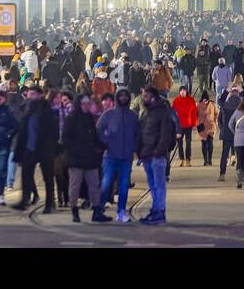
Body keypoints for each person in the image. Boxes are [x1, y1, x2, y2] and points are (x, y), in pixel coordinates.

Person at [94, 87, 140, 223]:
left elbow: (138, 134)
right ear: (117, 98)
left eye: (126, 96)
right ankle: (98, 209)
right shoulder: (108, 114)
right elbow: (98, 130)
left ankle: (121, 211)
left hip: (126, 157)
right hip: (110, 156)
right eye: (121, 96)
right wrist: (104, 143)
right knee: (106, 183)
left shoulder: (132, 116)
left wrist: (135, 148)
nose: (124, 98)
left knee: (124, 185)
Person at [11, 83, 58, 213]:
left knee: (48, 177)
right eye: (29, 94)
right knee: (26, 175)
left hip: (44, 149)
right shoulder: (27, 109)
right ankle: (24, 200)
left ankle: (50, 203)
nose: (29, 97)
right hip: (29, 148)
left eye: (33, 94)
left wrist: (52, 148)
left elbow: (53, 131)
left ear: (40, 95)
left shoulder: (47, 109)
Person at [137, 85, 177, 224]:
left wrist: (159, 151)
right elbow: (141, 132)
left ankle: (159, 212)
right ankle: (155, 210)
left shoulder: (162, 112)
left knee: (159, 184)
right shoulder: (146, 113)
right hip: (147, 154)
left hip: (156, 156)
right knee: (153, 185)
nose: (143, 99)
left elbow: (167, 135)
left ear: (153, 97)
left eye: (146, 96)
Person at [62, 94, 102, 222]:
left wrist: (100, 147)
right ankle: (74, 209)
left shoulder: (90, 118)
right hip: (76, 159)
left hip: (90, 158)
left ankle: (96, 210)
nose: (86, 106)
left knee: (94, 185)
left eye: (88, 104)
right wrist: (73, 151)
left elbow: (94, 137)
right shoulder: (72, 118)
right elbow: (66, 138)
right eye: (83, 104)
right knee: (75, 186)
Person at [218, 85, 242, 182]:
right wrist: (243, 90)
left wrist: (226, 91)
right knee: (240, 155)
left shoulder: (225, 105)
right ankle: (240, 172)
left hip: (226, 134)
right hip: (238, 133)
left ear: (231, 94)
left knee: (224, 154)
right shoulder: (241, 106)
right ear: (238, 95)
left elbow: (220, 101)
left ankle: (222, 173)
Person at [172, 85, 198, 166]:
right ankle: (182, 159)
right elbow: (173, 114)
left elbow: (194, 113)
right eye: (181, 91)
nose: (183, 92)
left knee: (188, 143)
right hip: (179, 126)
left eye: (184, 91)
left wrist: (194, 124)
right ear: (179, 92)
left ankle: (188, 159)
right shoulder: (176, 101)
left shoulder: (191, 100)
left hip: (188, 125)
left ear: (186, 92)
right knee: (179, 144)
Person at [197, 91, 218, 167]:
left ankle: (206, 160)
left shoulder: (199, 105)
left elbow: (196, 114)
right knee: (210, 143)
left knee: (204, 144)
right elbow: (216, 113)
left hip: (203, 126)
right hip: (210, 125)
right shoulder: (212, 104)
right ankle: (209, 160)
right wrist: (215, 121)